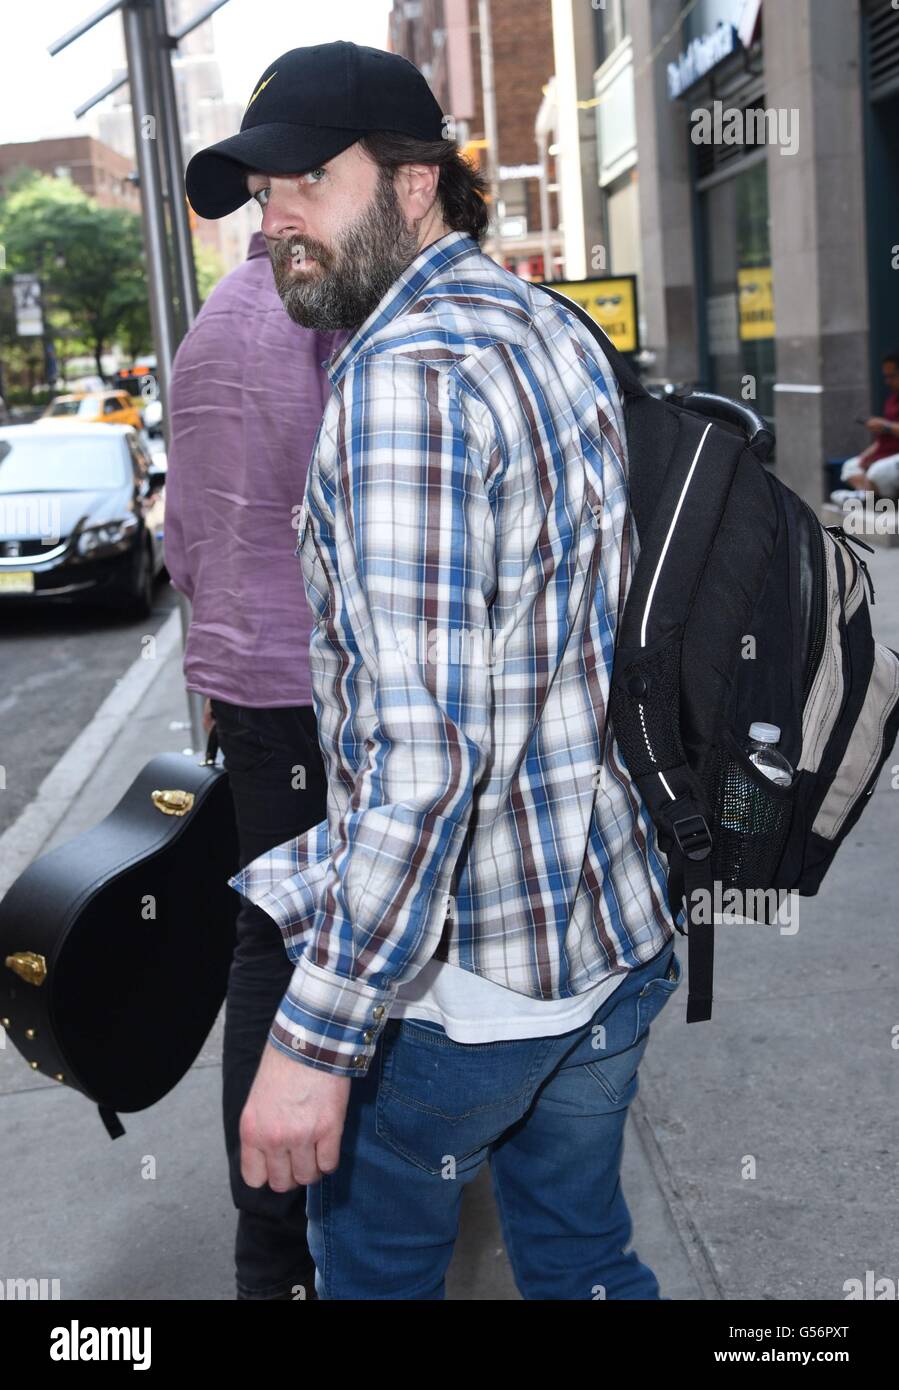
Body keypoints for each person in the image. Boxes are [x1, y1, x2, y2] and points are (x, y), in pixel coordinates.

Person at [185, 40, 683, 1301]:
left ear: (414, 182)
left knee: (376, 1273)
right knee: (579, 1258)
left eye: (307, 178)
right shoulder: (538, 320)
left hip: (467, 989)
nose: (274, 215)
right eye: (260, 189)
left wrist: (314, 1039)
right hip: (605, 932)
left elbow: (425, 761)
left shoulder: (401, 382)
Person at [163, 229, 346, 1300]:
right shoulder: (325, 314)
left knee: (267, 932)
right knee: (322, 937)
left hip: (241, 680)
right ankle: (302, 1227)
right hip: (321, 674)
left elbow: (182, 537)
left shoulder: (206, 326)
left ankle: (269, 1254)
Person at [831, 350, 899, 502]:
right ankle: (868, 498)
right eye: (886, 377)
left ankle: (869, 499)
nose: (888, 382)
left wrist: (886, 426)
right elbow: (881, 442)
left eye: (892, 376)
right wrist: (867, 456)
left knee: (877, 472)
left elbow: (889, 428)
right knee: (851, 466)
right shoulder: (892, 399)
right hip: (888, 454)